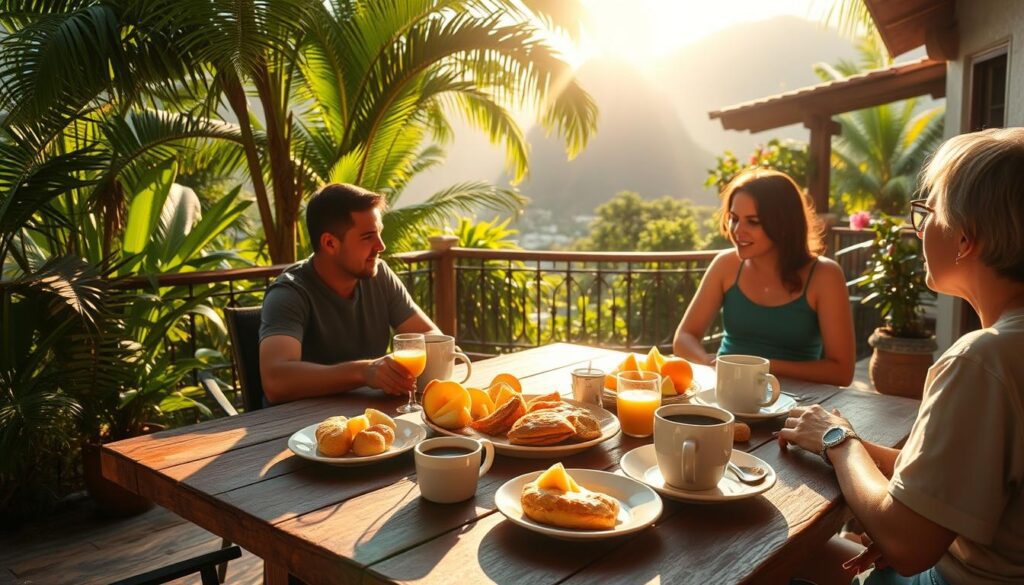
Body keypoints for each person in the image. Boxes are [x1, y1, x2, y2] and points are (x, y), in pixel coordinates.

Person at [782, 128, 1024, 585]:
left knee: (777, 558)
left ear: (966, 237)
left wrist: (839, 440)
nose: (919, 228)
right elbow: (949, 478)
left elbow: (908, 545)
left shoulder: (983, 360)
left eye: (928, 212)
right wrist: (840, 441)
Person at [259, 183, 440, 404]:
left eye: (379, 233)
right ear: (330, 243)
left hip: (368, 418)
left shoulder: (379, 275)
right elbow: (276, 382)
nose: (381, 246)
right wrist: (364, 372)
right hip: (297, 431)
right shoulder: (289, 293)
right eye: (368, 237)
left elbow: (432, 338)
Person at [672, 169, 855, 386]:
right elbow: (684, 337)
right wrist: (707, 361)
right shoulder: (726, 265)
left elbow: (842, 371)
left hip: (796, 401)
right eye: (734, 219)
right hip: (726, 391)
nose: (738, 230)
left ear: (783, 224)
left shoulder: (825, 276)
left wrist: (759, 367)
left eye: (753, 221)